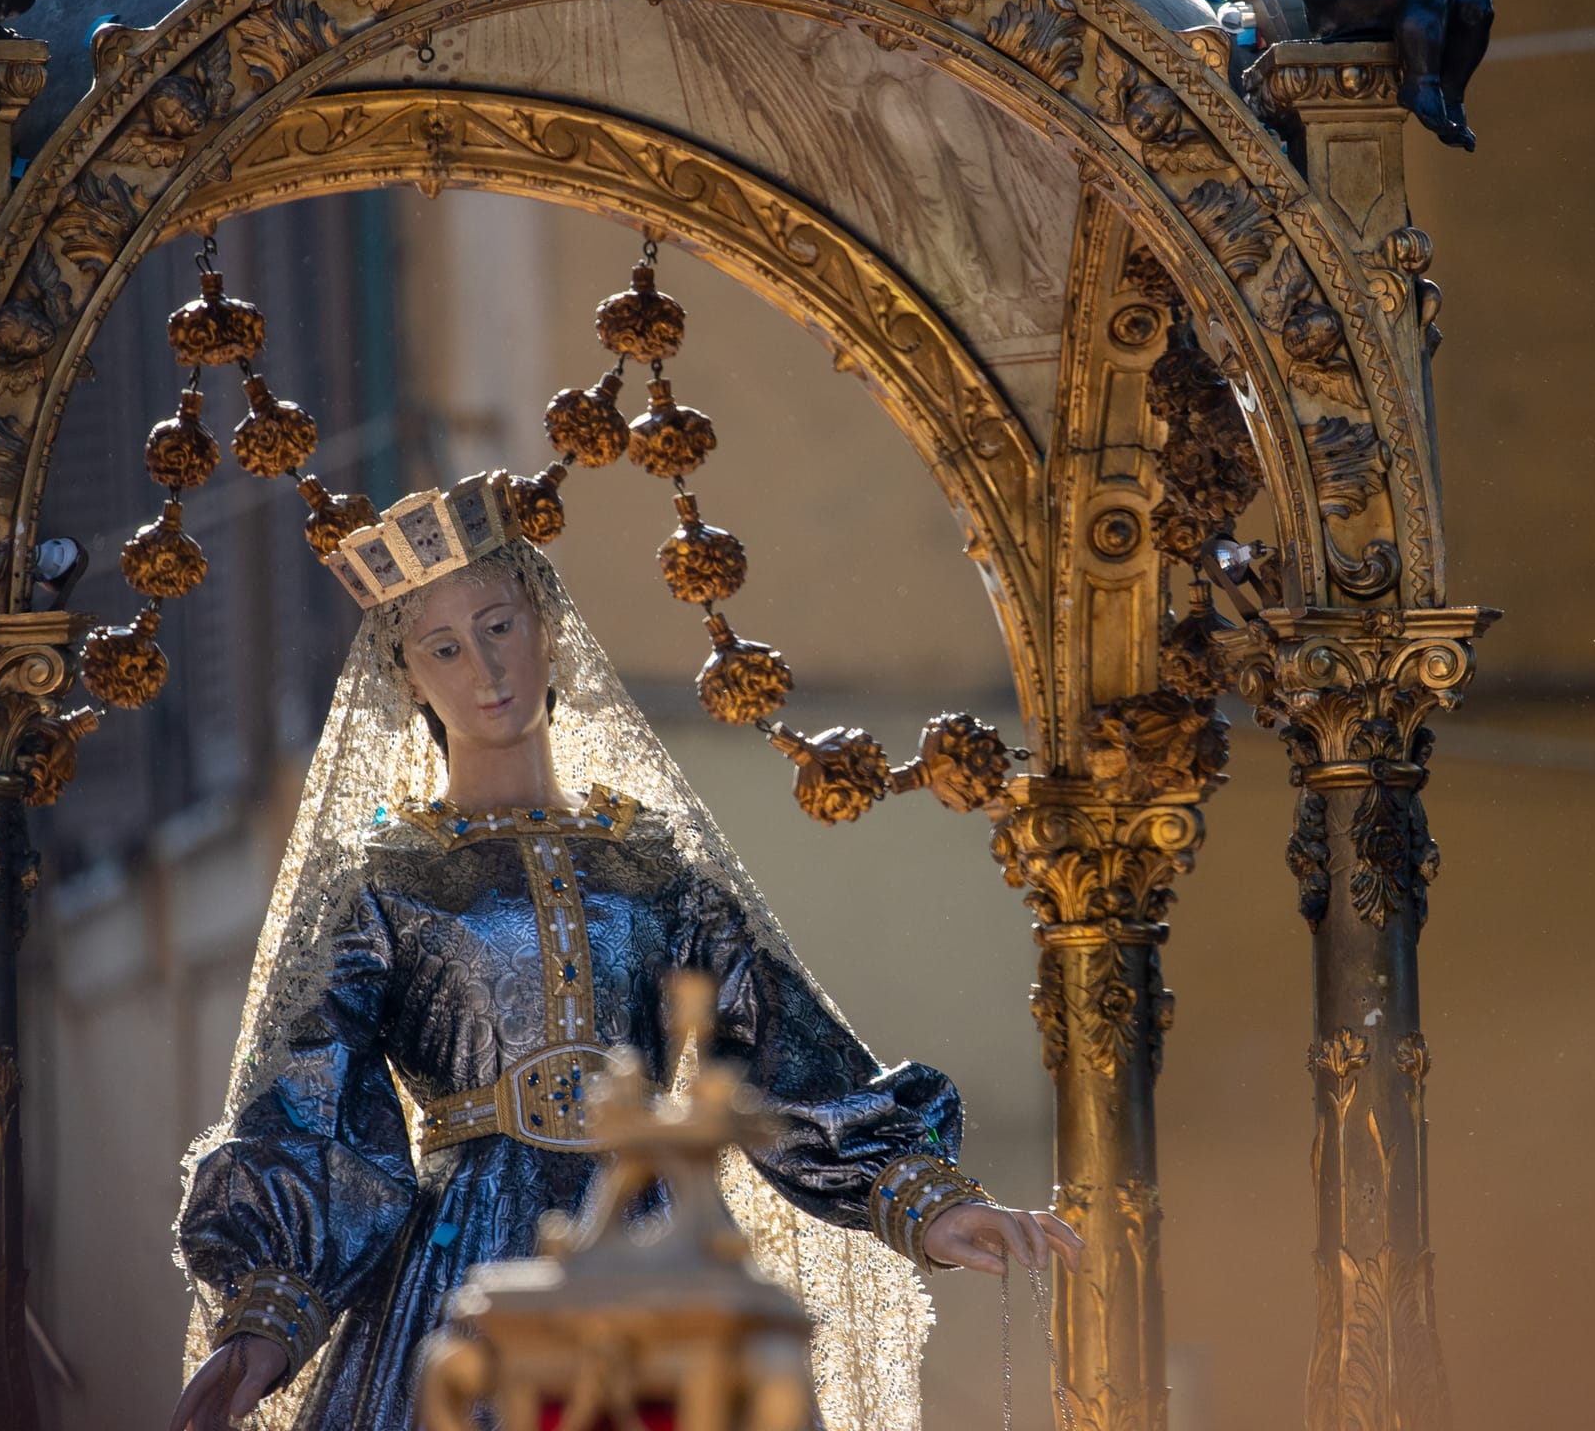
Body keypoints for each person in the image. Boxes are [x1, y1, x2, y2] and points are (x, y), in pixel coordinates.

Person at [168, 472, 1078, 1431]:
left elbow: (781, 1049)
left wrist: (923, 1200)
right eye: (444, 646)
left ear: (548, 628)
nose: (484, 670)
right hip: (461, 1265)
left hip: (663, 1243)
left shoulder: (651, 865)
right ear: (409, 678)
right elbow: (310, 1098)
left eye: (499, 627)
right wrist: (263, 1320)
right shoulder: (384, 883)